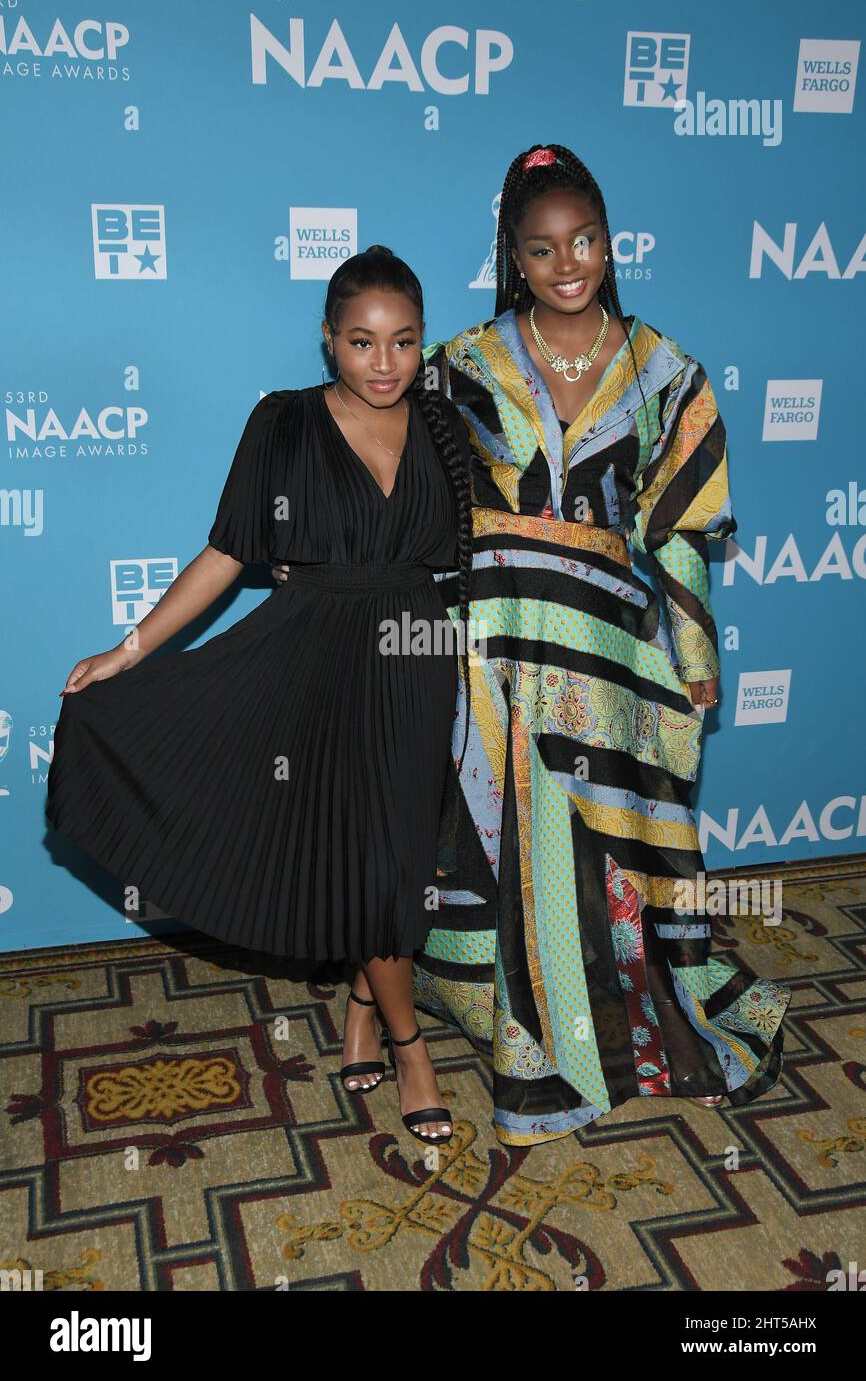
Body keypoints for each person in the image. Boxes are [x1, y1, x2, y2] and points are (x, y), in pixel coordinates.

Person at [288, 145, 794, 1148]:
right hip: (487, 645)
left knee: (608, 841)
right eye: (542, 246)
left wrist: (694, 663)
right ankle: (516, 1036)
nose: (568, 262)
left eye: (585, 240)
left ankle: (620, 1022)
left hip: (610, 651)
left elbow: (683, 529)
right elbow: (404, 498)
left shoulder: (665, 372)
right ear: (512, 256)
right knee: (499, 842)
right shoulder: (458, 365)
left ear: (607, 243)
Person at [45, 245, 475, 1144]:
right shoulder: (281, 423)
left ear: (424, 341)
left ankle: (362, 1003)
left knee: (397, 859)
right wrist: (129, 651)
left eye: (403, 341)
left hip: (416, 653)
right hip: (311, 656)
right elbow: (230, 551)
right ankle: (410, 1045)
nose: (384, 363)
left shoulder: (445, 425)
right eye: (362, 342)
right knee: (362, 856)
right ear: (328, 341)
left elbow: (480, 547)